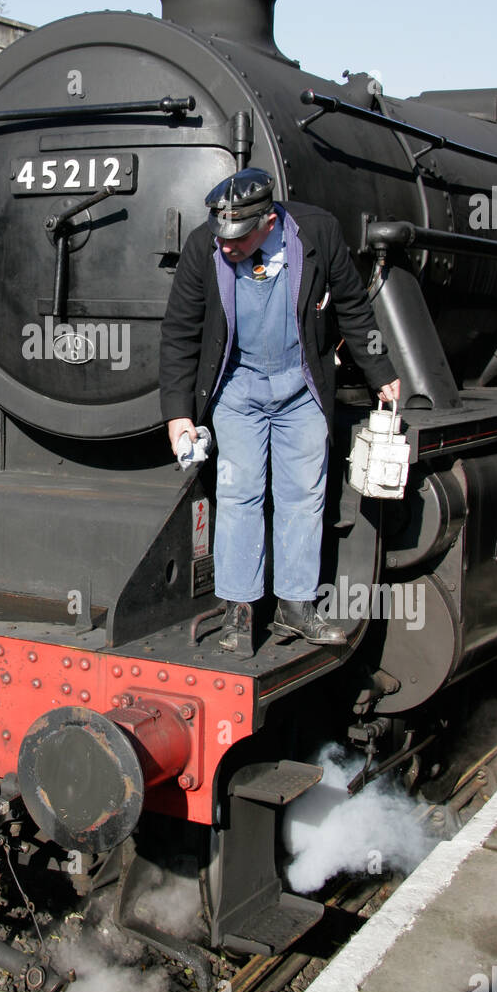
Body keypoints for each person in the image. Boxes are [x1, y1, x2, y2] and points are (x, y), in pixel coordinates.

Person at [159, 168, 400, 656]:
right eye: (222, 237)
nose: (226, 247)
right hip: (237, 390)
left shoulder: (317, 231)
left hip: (301, 388)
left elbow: (354, 305)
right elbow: (180, 330)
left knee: (302, 498)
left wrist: (380, 370)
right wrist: (177, 413)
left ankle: (296, 607)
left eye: (239, 239)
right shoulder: (205, 244)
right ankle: (240, 614)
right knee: (239, 495)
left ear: (269, 221)